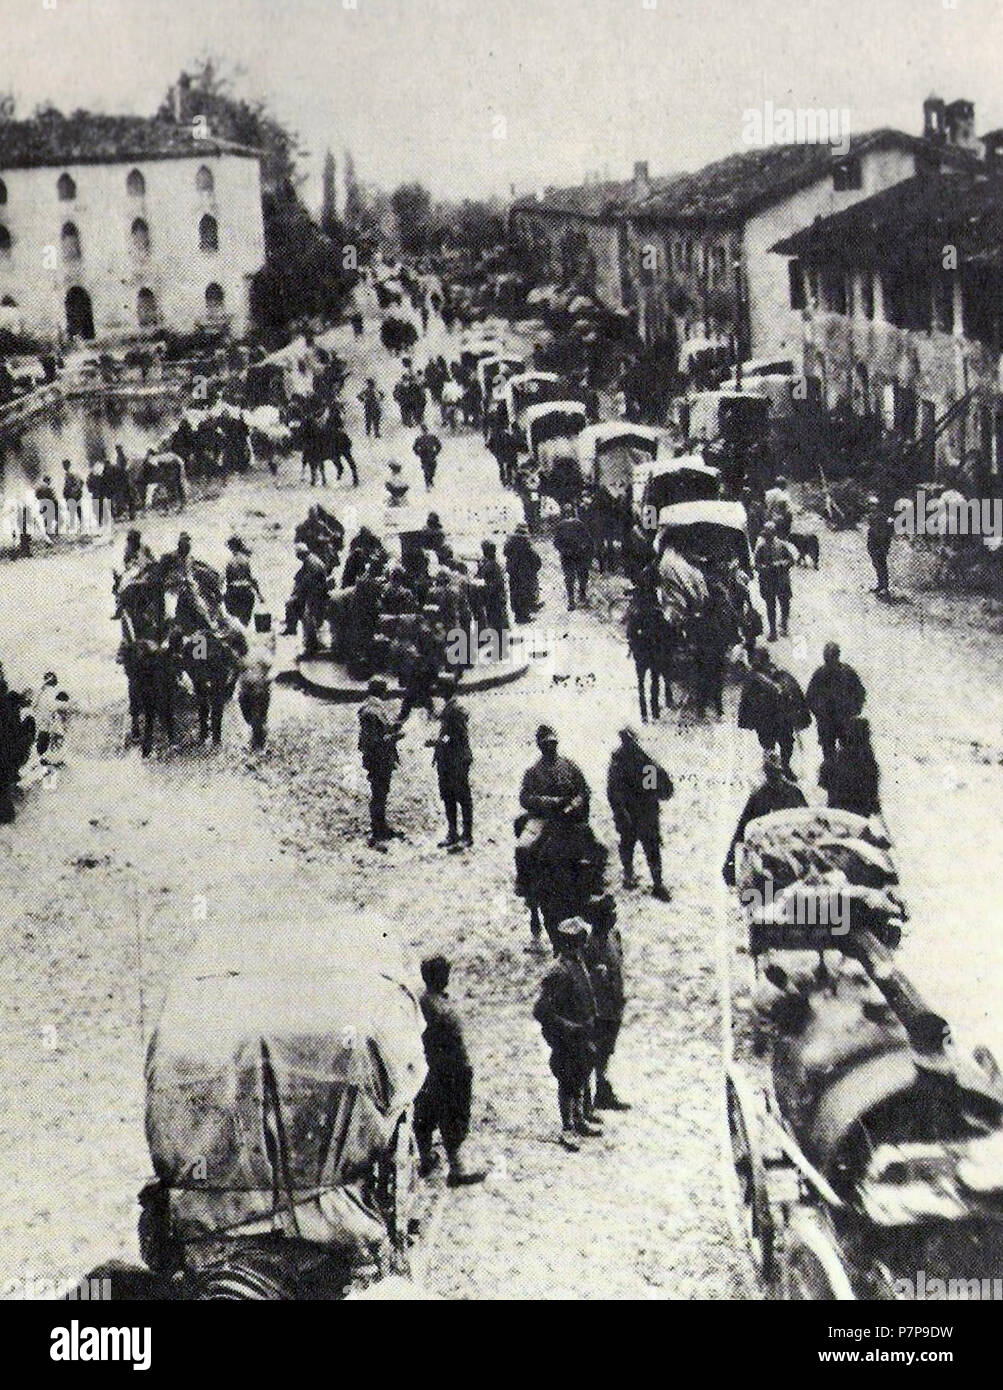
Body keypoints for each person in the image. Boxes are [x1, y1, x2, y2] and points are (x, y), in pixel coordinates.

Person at [414, 955, 486, 1186]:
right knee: (452, 1116)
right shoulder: (439, 1008)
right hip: (448, 1069)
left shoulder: (422, 1001)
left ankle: (425, 1159)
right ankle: (457, 1169)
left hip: (431, 1068)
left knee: (426, 1114)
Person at [533, 918, 600, 1151]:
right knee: (568, 1080)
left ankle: (579, 1118)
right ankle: (567, 1127)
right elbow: (541, 1010)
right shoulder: (558, 971)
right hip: (567, 1037)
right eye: (582, 938)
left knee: (581, 1074)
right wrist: (569, 1027)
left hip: (582, 1033)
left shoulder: (577, 962)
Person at [606, 727, 673, 900]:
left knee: (643, 847)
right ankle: (638, 877)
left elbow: (653, 791)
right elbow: (615, 792)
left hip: (638, 813)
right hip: (635, 814)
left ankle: (652, 881)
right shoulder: (636, 761)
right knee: (636, 846)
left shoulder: (635, 762)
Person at [722, 751, 808, 885]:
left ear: (781, 772)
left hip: (793, 851)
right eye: (770, 774)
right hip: (769, 856)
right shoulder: (758, 797)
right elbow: (742, 831)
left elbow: (808, 823)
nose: (774, 778)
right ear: (766, 774)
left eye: (776, 773)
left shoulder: (795, 793)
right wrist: (730, 865)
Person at [583, 893, 629, 1110]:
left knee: (606, 1050)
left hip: (614, 1004)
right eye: (609, 913)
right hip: (599, 1009)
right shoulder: (590, 946)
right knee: (596, 1052)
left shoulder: (614, 936)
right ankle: (592, 1095)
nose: (614, 916)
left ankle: (601, 1089)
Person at [736, 643, 810, 774]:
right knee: (785, 743)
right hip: (781, 719)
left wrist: (747, 720)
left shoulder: (753, 679)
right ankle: (784, 767)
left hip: (766, 720)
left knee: (769, 745)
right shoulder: (781, 674)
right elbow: (796, 693)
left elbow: (746, 702)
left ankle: (774, 769)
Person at [357, 675, 403, 848]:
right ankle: (378, 828)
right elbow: (373, 741)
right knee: (379, 793)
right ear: (381, 691)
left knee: (381, 792)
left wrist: (393, 727)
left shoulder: (373, 708)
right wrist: (393, 738)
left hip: (380, 758)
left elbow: (380, 730)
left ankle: (381, 825)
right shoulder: (371, 711)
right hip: (378, 759)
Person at [431, 672, 473, 850]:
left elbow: (460, 737)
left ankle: (467, 835)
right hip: (448, 760)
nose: (438, 691)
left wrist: (438, 742)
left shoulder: (455, 709)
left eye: (440, 688)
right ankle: (453, 832)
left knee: (462, 797)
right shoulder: (450, 707)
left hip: (457, 760)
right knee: (448, 796)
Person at [805, 642, 867, 761]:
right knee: (829, 755)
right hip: (827, 722)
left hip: (844, 720)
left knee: (848, 752)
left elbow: (860, 692)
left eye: (833, 657)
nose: (830, 661)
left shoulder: (847, 673)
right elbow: (810, 697)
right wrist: (819, 712)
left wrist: (854, 710)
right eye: (828, 658)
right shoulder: (820, 674)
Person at [819, 715, 881, 819]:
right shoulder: (868, 760)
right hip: (861, 811)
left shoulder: (835, 758)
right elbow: (873, 783)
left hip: (837, 810)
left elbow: (823, 781)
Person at [753, 521, 797, 641]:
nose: (767, 535)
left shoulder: (782, 545)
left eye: (769, 532)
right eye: (766, 532)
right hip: (768, 581)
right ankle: (773, 631)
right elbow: (756, 565)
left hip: (782, 579)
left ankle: (784, 624)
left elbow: (791, 560)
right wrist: (764, 568)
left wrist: (780, 564)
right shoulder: (761, 547)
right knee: (770, 606)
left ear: (774, 533)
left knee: (785, 603)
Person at [284, 543, 329, 654]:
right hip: (315, 592)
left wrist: (297, 594)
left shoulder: (312, 562)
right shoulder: (310, 560)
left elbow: (307, 581)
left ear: (301, 554)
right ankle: (311, 641)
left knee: (309, 617)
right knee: (308, 617)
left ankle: (312, 644)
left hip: (317, 594)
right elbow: (301, 576)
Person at [553, 504, 592, 611]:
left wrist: (564, 550)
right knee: (582, 576)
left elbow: (556, 542)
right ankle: (582, 596)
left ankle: (571, 601)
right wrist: (582, 549)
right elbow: (587, 540)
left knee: (569, 578)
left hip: (567, 556)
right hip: (579, 555)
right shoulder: (579, 524)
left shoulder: (560, 525)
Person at [503, 524, 542, 623]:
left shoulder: (509, 543)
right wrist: (534, 569)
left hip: (513, 573)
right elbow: (536, 559)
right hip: (525, 574)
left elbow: (506, 554)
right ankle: (524, 616)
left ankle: (517, 615)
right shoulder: (525, 543)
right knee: (525, 594)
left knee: (515, 594)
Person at [223, 536, 263, 627]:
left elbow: (227, 580)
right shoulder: (246, 560)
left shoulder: (230, 562)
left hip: (233, 593)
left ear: (231, 547)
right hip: (246, 593)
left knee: (235, 621)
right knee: (245, 622)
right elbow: (252, 579)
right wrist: (259, 595)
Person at [478, 540, 509, 641]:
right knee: (499, 619)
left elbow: (491, 581)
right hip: (497, 595)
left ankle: (500, 644)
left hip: (494, 596)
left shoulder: (491, 565)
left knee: (496, 620)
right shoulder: (493, 563)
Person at [867, 497, 895, 596]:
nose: (872, 507)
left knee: (882, 565)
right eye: (870, 505)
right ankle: (880, 585)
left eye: (873, 505)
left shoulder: (883, 516)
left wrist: (886, 543)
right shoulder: (871, 516)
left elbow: (889, 529)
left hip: (881, 544)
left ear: (877, 506)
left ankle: (885, 587)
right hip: (873, 543)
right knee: (877, 565)